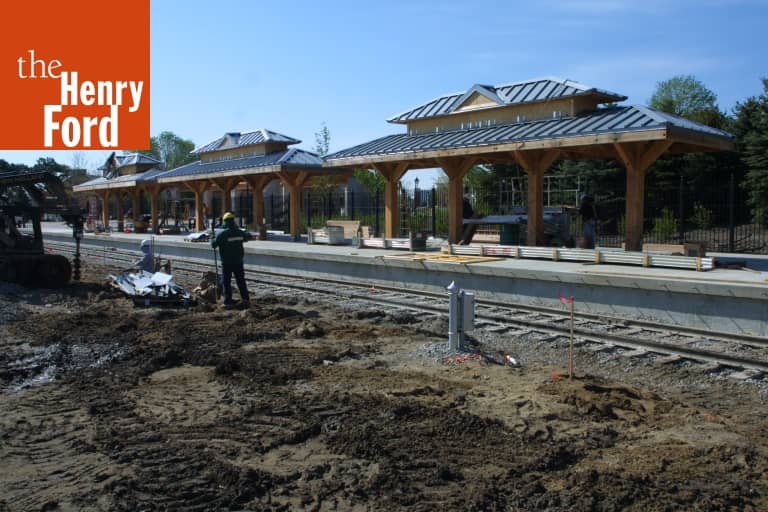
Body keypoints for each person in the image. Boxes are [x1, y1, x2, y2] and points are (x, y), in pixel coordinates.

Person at [211, 212, 251, 308]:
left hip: (227, 262)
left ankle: (228, 301)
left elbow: (213, 245)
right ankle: (245, 299)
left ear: (225, 221)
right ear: (233, 221)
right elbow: (248, 236)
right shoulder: (239, 232)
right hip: (238, 261)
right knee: (241, 280)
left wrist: (212, 237)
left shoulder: (222, 234)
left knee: (226, 281)